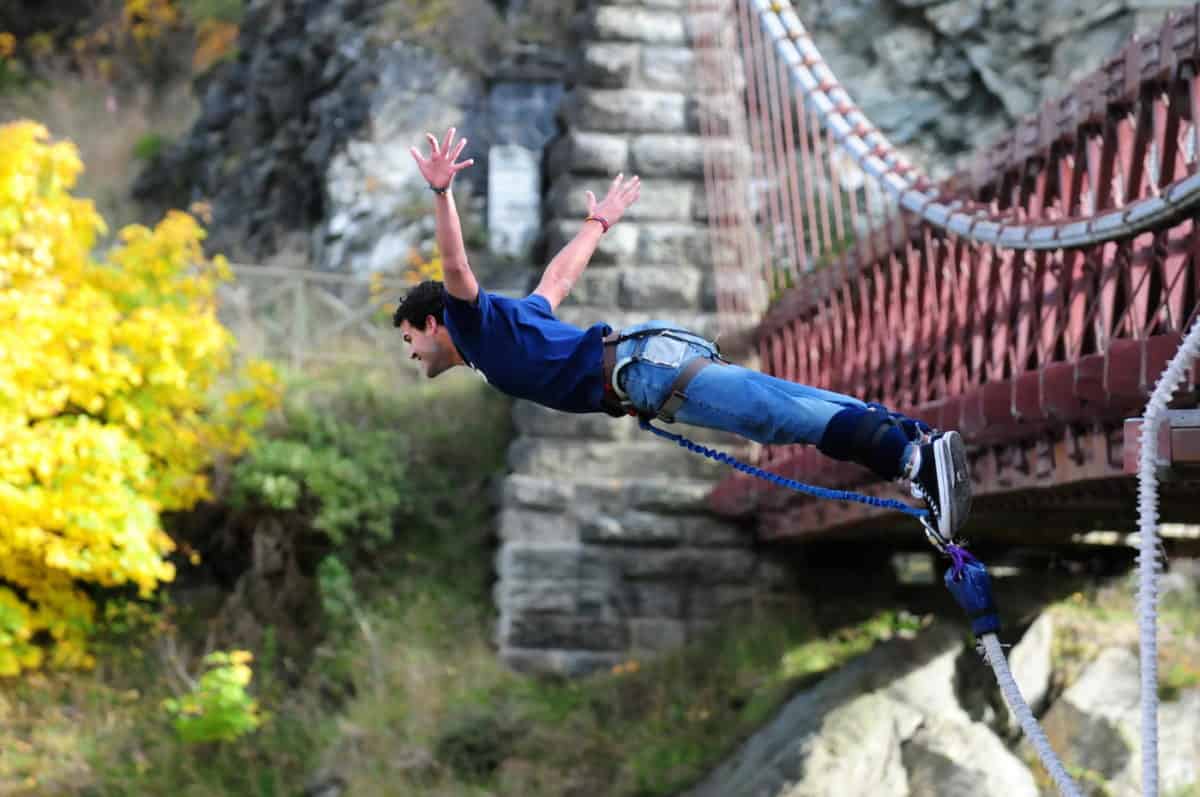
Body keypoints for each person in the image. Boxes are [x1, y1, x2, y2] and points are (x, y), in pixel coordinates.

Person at [396, 128, 971, 539]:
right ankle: (914, 444)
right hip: (653, 359)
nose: (412, 353)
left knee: (776, 418)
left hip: (648, 372)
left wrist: (443, 195)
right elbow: (558, 280)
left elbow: (457, 270)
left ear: (431, 323)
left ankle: (909, 459)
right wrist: (598, 223)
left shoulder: (472, 325)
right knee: (787, 405)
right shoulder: (506, 331)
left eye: (409, 340)